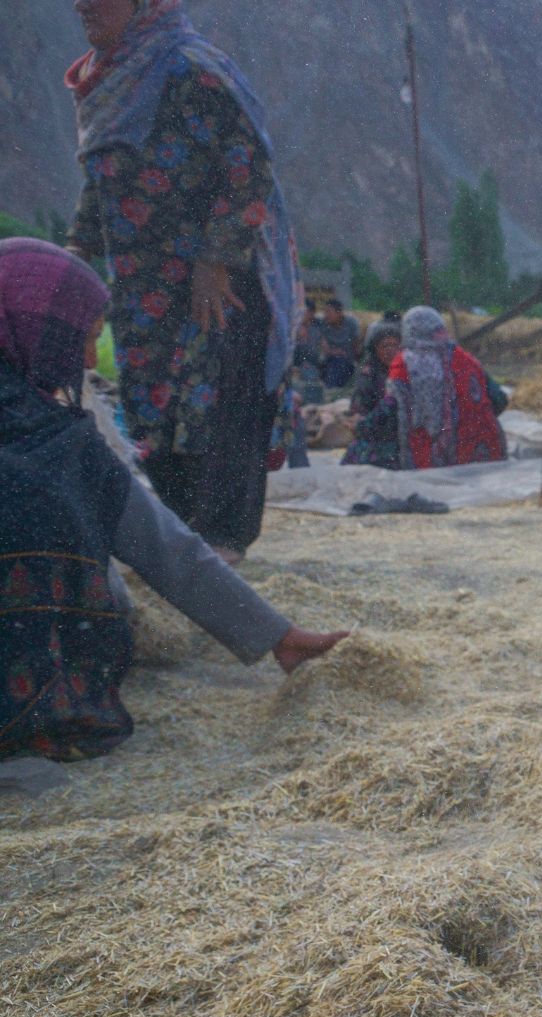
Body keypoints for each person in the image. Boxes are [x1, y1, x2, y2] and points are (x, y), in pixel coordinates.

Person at [0, 239, 345, 763]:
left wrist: (276, 635)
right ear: (32, 329)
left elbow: (165, 546)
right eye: (85, 339)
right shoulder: (63, 445)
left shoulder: (61, 436)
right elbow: (162, 547)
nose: (92, 360)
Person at [66, 0, 300, 563]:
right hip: (146, 286)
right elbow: (105, 179)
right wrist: (75, 252)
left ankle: (223, 542)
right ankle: (181, 545)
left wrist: (215, 259)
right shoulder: (109, 84)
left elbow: (248, 162)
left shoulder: (191, 67)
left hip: (220, 280)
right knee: (154, 406)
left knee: (219, 404)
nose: (83, 4)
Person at [342, 307, 507, 471]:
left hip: (431, 457)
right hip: (488, 451)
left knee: (360, 450)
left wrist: (361, 427)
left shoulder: (406, 363)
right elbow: (499, 399)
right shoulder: (465, 359)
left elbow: (390, 410)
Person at [351, 311, 402, 417]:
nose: (390, 351)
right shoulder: (369, 371)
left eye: (394, 345)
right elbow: (358, 404)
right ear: (375, 349)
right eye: (385, 346)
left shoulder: (404, 368)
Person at [314, 298, 360, 391]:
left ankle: (332, 390)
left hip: (347, 362)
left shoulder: (351, 323)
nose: (326, 315)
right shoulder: (322, 323)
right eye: (325, 312)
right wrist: (334, 352)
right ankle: (331, 390)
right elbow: (324, 346)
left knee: (340, 365)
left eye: (329, 312)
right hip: (329, 361)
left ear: (339, 312)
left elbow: (356, 346)